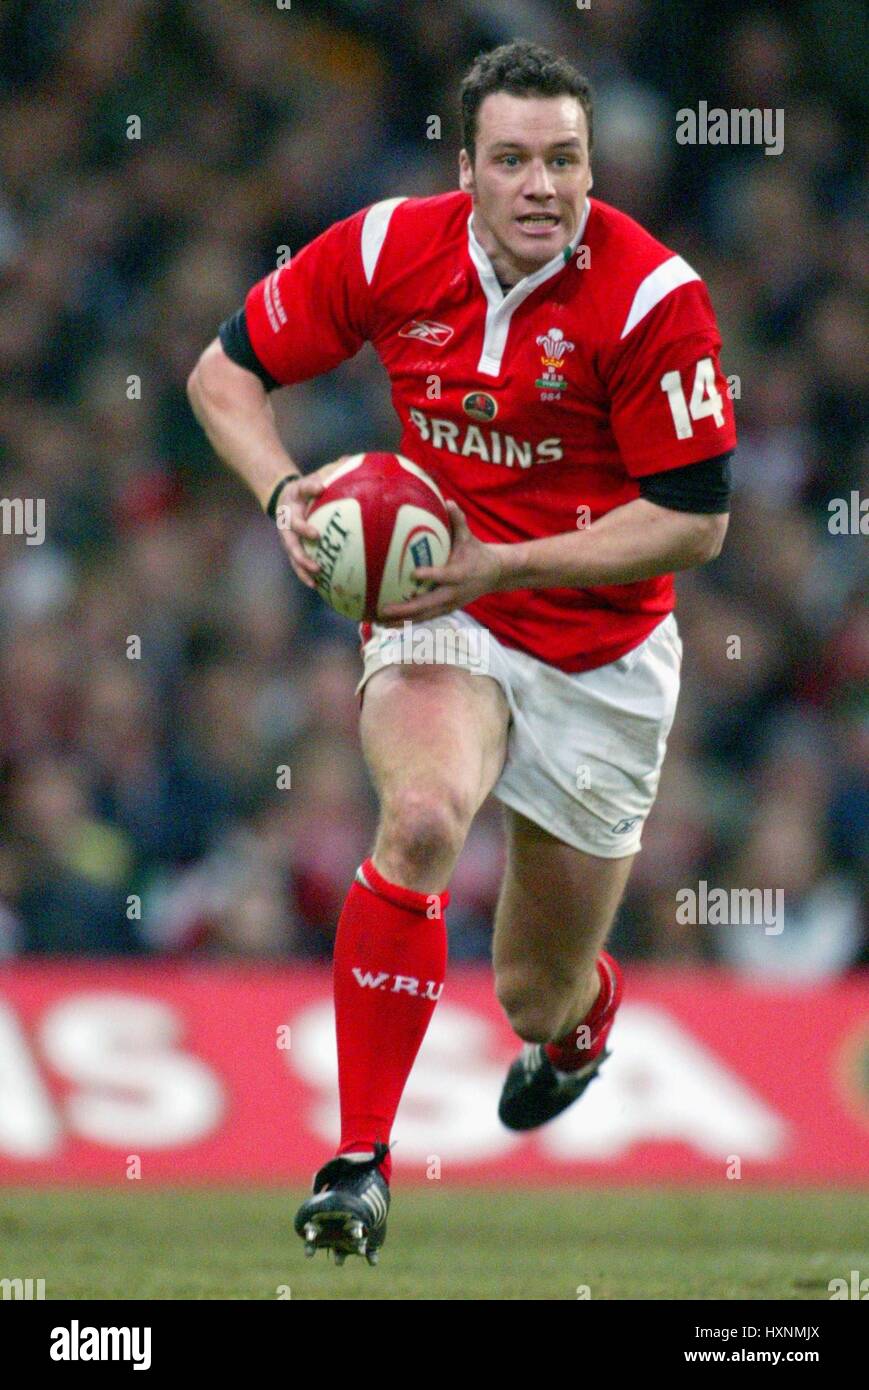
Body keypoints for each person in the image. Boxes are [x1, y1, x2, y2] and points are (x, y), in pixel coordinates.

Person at [187, 39, 736, 1267]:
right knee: (423, 819)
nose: (540, 186)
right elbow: (221, 377)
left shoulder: (652, 298)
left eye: (564, 161)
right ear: (466, 169)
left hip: (601, 651)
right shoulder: (388, 247)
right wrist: (282, 493)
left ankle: (580, 1026)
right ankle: (359, 1162)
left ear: (590, 168)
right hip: (441, 604)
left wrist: (509, 561)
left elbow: (693, 520)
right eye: (512, 160)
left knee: (534, 992)